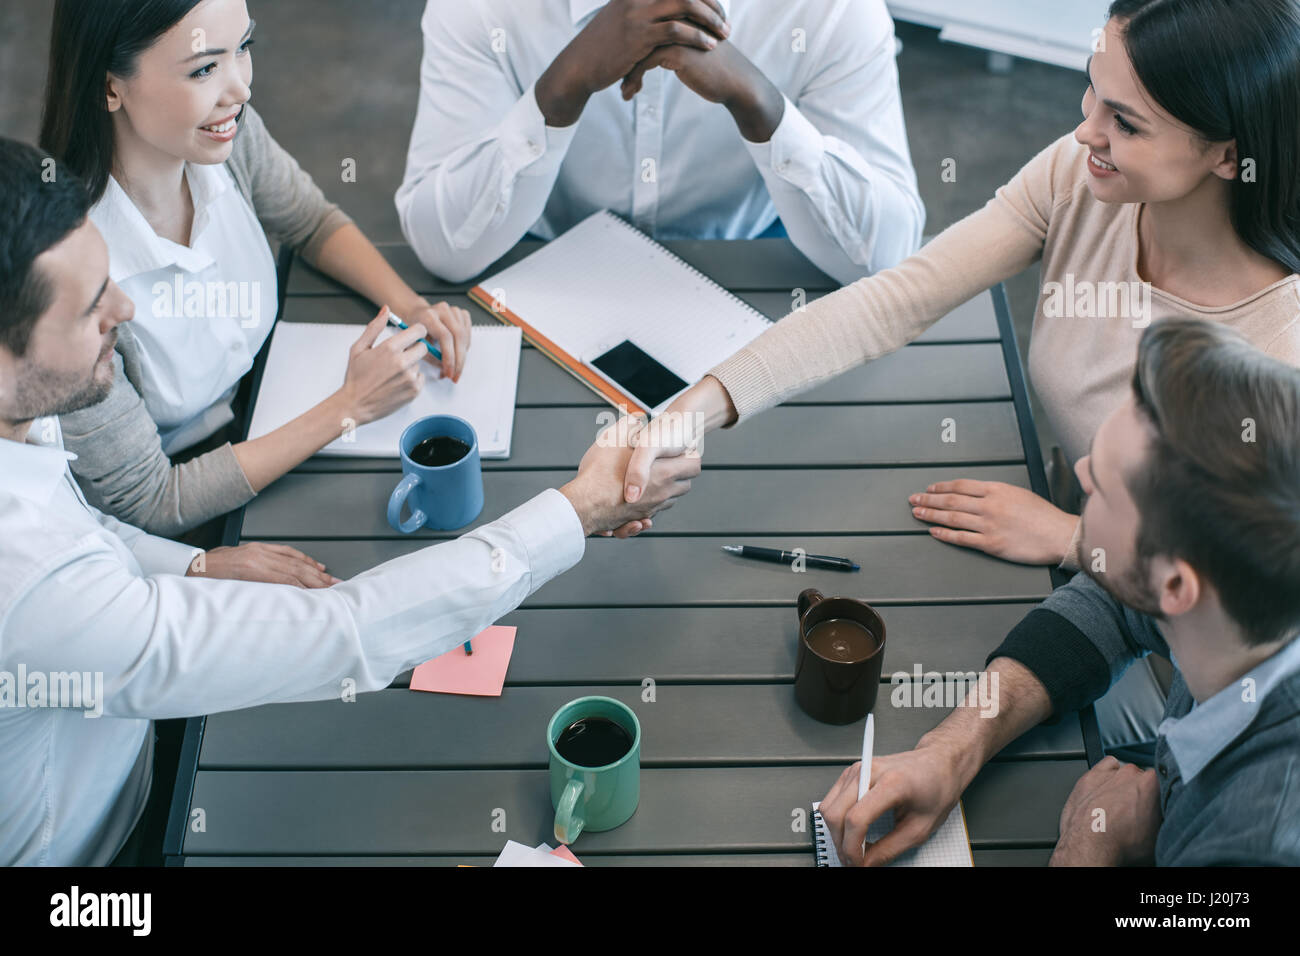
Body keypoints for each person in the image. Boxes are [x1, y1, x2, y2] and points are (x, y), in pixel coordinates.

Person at [611, 0, 1300, 758]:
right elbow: (899, 297)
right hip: (1081, 590)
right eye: (1091, 90)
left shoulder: (1282, 349)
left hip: (1187, 681)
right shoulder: (1083, 178)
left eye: (1126, 123)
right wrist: (692, 410)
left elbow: (1255, 598)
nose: (1084, 131)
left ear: (1228, 155)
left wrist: (1073, 537)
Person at [0, 137, 699, 866]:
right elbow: (345, 635)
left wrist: (196, 568)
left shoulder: (21, 414)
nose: (127, 307)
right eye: (89, 307)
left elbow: (91, 525)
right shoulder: (31, 582)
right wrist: (581, 507)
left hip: (132, 759)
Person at [818, 319, 1300, 866]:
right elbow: (1116, 601)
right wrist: (949, 751)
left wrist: (1090, 846)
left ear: (1176, 586)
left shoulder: (1261, 839)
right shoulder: (1235, 600)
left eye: (1108, 487)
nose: (1080, 470)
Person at [39, 0, 475, 554]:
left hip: (272, 407)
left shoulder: (224, 135)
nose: (240, 89)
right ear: (109, 87)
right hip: (190, 519)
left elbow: (311, 222)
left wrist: (411, 308)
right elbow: (152, 500)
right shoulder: (69, 277)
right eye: (203, 69)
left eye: (243, 48)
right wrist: (349, 407)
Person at [395, 0, 924, 285]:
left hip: (758, 261)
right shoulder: (480, 8)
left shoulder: (833, 11)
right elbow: (444, 249)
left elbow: (884, 256)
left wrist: (761, 105)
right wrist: (562, 88)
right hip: (537, 260)